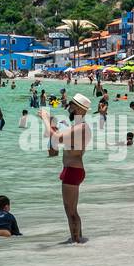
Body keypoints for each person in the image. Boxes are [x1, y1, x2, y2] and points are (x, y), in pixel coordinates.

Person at [40, 93, 92, 244]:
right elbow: (57, 140)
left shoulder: (81, 127)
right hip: (73, 169)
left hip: (73, 170)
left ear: (81, 110)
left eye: (73, 107)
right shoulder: (78, 127)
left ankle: (76, 241)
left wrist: (44, 118)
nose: (70, 109)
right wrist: (53, 126)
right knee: (72, 210)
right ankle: (78, 238)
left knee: (70, 210)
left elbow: (56, 138)